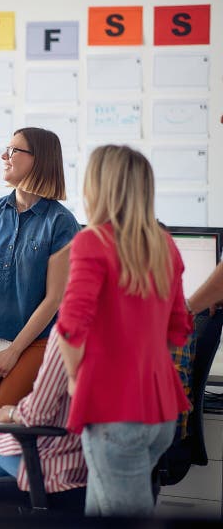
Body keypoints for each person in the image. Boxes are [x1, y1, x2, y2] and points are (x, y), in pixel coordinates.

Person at [56, 145, 192, 516]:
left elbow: (70, 325)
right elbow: (179, 328)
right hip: (161, 411)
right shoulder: (165, 245)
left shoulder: (92, 241)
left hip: (115, 410)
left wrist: (72, 377)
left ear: (99, 186)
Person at [0, 127, 80, 445]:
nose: (4, 156)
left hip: (35, 340)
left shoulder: (60, 222)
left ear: (39, 160)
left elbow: (54, 298)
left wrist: (14, 350)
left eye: (13, 151)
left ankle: (10, 493)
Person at [0, 328, 86, 511]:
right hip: (90, 456)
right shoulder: (121, 333)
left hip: (57, 464)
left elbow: (37, 413)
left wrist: (11, 413)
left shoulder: (68, 335)